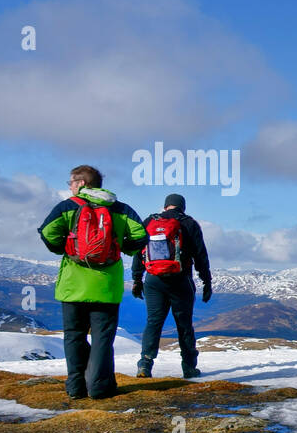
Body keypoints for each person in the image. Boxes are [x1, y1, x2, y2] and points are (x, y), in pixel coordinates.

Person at [36, 166, 147, 400]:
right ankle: (99, 387)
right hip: (107, 286)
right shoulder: (121, 209)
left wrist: (65, 249)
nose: (69, 187)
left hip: (73, 285)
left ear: (82, 184)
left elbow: (47, 233)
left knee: (74, 335)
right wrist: (122, 248)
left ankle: (76, 388)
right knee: (102, 338)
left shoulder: (68, 207)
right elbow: (140, 236)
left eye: (71, 183)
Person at [131, 193, 212, 379]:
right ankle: (189, 367)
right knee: (184, 324)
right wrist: (207, 281)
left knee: (153, 322)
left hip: (153, 281)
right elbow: (201, 255)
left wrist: (137, 279)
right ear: (182, 207)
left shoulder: (150, 221)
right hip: (180, 280)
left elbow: (138, 252)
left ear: (165, 206)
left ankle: (145, 364)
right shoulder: (189, 223)